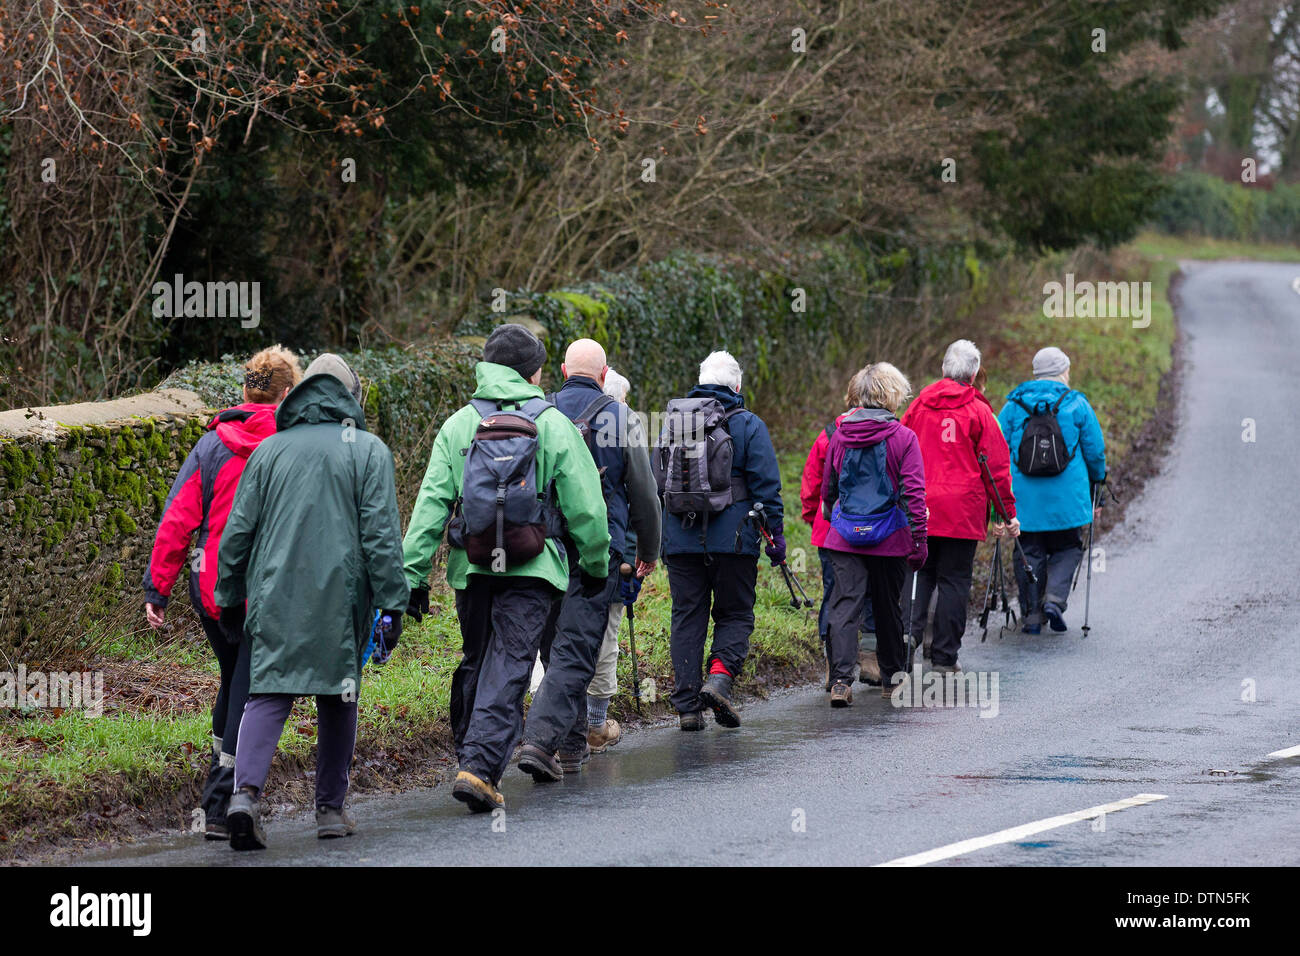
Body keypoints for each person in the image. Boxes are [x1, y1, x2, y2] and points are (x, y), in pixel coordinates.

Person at [402, 324, 610, 812]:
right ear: (535, 371)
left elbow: (430, 504)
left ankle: (471, 755)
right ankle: (478, 767)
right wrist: (596, 562)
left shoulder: (459, 424)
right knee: (511, 664)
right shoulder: (552, 422)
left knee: (477, 658)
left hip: (471, 569)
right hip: (532, 567)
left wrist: (412, 577)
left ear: (488, 367)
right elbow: (587, 507)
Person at [215, 354, 409, 850]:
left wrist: (229, 597)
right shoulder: (368, 451)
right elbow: (382, 539)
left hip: (274, 593)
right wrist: (393, 603)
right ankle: (329, 809)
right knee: (338, 695)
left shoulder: (270, 450)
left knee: (267, 693)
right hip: (340, 599)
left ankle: (245, 798)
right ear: (350, 398)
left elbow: (237, 534)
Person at [142, 345, 301, 841]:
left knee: (233, 675)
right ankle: (222, 802)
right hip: (264, 586)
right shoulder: (290, 444)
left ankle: (219, 792)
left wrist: (158, 587)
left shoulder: (212, 443)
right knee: (249, 689)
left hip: (208, 581)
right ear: (289, 392)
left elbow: (177, 519)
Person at [518, 344, 660, 780]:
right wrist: (649, 551)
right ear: (603, 376)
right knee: (577, 651)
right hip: (600, 552)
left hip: (545, 548)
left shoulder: (540, 412)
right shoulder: (621, 418)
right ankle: (541, 742)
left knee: (556, 646)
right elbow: (644, 492)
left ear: (562, 371)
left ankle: (574, 749)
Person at [657, 350, 784, 730]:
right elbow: (768, 489)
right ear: (737, 386)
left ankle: (687, 708)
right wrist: (775, 539)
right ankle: (719, 678)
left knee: (686, 617)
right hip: (733, 540)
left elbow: (655, 480)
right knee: (735, 612)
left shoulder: (671, 423)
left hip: (680, 539)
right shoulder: (748, 425)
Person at [900, 339, 1017, 673]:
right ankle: (944, 657)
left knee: (918, 574)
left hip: (919, 506)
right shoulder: (980, 412)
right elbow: (996, 469)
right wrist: (1006, 513)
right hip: (962, 512)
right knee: (953, 582)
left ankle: (907, 642)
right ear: (975, 373)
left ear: (942, 369)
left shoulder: (918, 407)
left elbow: (898, 450)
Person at [820, 363, 927, 704]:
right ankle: (892, 680)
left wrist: (834, 517)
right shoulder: (904, 437)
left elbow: (829, 489)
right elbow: (913, 494)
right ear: (893, 396)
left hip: (846, 537)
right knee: (887, 607)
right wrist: (920, 541)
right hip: (889, 536)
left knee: (844, 606)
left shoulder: (839, 435)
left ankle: (840, 681)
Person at [997, 347, 1107, 633]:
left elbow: (995, 449)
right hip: (1067, 499)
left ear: (1035, 372)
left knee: (1028, 550)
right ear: (1063, 372)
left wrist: (996, 495)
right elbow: (1095, 451)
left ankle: (1032, 614)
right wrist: (1099, 482)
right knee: (1069, 546)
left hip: (1025, 499)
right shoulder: (1077, 404)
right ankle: (1055, 601)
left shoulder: (1013, 405)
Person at [800, 374, 879, 690]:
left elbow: (811, 486)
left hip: (833, 528)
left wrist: (813, 519)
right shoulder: (889, 432)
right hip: (876, 526)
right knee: (872, 589)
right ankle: (871, 659)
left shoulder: (830, 434)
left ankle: (835, 663)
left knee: (835, 592)